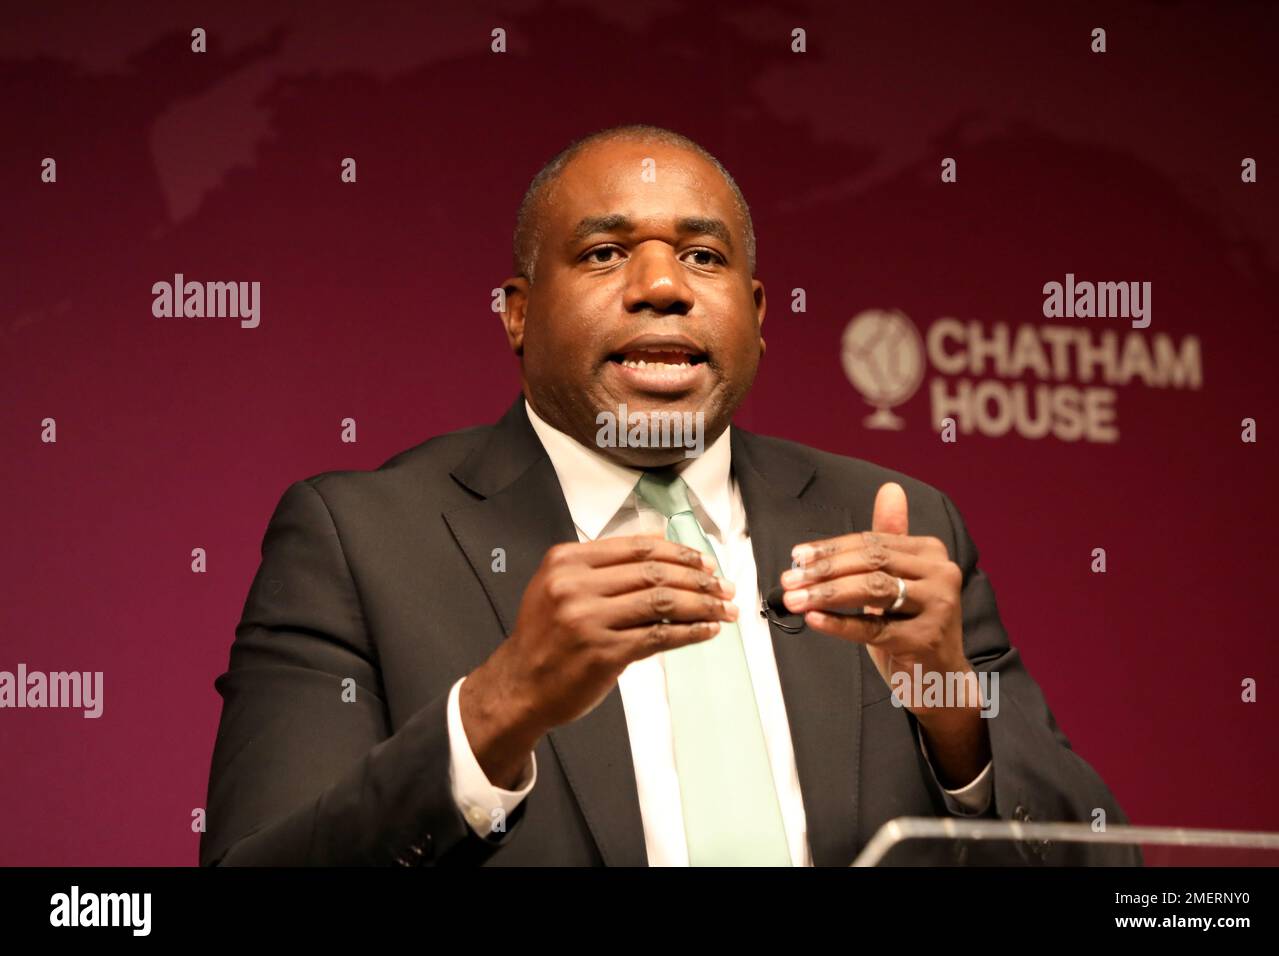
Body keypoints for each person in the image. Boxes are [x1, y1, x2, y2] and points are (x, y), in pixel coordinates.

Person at [199, 124, 1137, 866]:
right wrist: (494, 712)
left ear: (759, 318)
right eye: (605, 254)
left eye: (703, 256)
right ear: (518, 315)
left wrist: (951, 713)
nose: (661, 286)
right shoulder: (359, 541)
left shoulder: (900, 523)